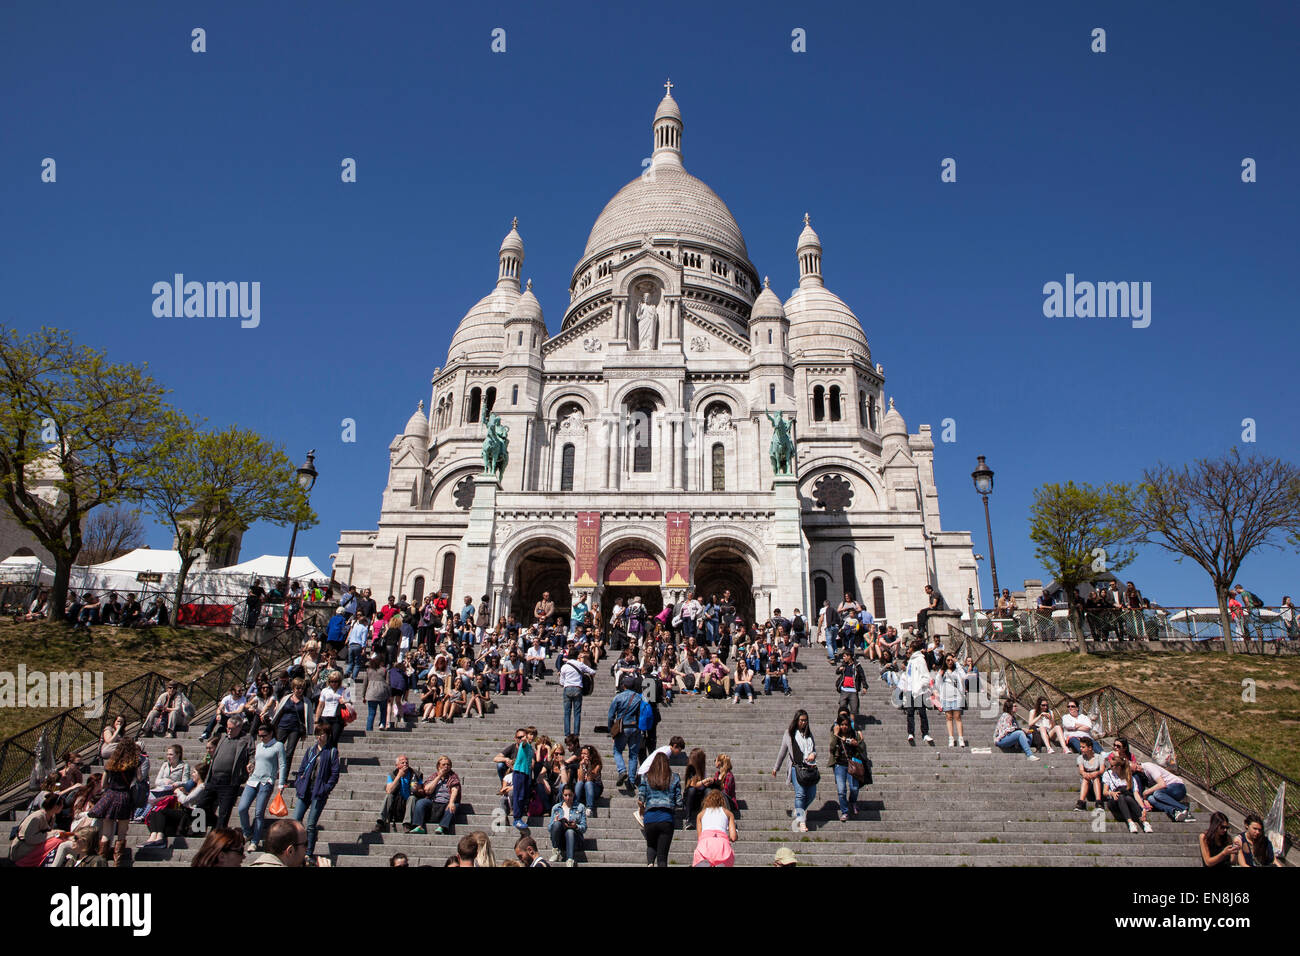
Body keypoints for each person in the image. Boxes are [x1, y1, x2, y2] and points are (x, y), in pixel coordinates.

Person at [89, 736, 143, 866]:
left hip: (110, 795)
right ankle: (117, 862)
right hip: (124, 796)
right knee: (122, 833)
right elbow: (140, 778)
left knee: (106, 832)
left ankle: (101, 861)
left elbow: (103, 784)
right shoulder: (134, 762)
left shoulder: (111, 762)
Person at [293, 726, 339, 859]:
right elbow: (302, 768)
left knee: (311, 824)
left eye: (322, 734)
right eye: (318, 734)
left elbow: (335, 773)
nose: (319, 737)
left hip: (319, 792)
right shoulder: (310, 750)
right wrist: (299, 783)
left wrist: (326, 787)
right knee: (296, 819)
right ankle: (297, 846)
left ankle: (308, 851)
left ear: (328, 735)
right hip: (305, 789)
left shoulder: (332, 752)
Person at [238, 723, 286, 849]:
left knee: (259, 812)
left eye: (264, 735)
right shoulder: (259, 746)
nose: (261, 738)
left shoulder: (278, 746)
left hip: (267, 781)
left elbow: (282, 765)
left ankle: (255, 841)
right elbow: (257, 759)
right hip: (253, 779)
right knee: (242, 808)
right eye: (259, 736)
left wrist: (281, 783)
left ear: (271, 734)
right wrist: (251, 765)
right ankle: (247, 832)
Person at [772, 710, 818, 832]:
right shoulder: (789, 733)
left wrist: (813, 754)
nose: (803, 722)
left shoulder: (808, 734)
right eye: (801, 720)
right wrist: (776, 767)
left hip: (810, 767)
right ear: (796, 720)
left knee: (812, 794)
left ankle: (799, 810)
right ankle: (801, 820)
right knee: (800, 794)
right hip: (796, 767)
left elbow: (814, 749)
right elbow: (783, 752)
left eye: (805, 720)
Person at [637, 752, 682, 867]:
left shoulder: (646, 777)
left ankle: (650, 863)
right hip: (666, 818)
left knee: (651, 845)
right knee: (662, 857)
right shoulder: (674, 777)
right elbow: (679, 801)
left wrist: (641, 807)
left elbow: (641, 797)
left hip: (650, 818)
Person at [828, 711, 867, 822]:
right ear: (839, 725)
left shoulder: (854, 734)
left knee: (854, 788)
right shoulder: (835, 733)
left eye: (846, 724)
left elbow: (863, 748)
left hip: (853, 764)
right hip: (839, 765)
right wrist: (836, 735)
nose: (844, 727)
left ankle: (853, 801)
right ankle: (845, 812)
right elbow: (831, 748)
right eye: (842, 724)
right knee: (841, 790)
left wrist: (857, 744)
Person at [608, 675, 644, 789]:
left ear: (623, 686)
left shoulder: (618, 697)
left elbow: (610, 716)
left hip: (622, 727)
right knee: (633, 755)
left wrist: (611, 730)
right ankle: (631, 780)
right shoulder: (639, 698)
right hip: (635, 727)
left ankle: (622, 770)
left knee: (617, 751)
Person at [411, 755, 460, 835]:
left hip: (447, 802)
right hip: (434, 801)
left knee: (453, 806)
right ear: (438, 766)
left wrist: (451, 802)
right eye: (443, 764)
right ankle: (418, 826)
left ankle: (442, 827)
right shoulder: (434, 776)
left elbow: (455, 790)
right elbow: (427, 790)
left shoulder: (453, 777)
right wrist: (439, 776)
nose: (446, 766)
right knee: (421, 802)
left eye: (448, 764)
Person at [1101, 752, 1151, 833]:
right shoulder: (1108, 774)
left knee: (1126, 797)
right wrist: (1112, 793)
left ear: (1119, 767)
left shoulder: (1129, 776)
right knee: (1121, 796)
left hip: (1127, 799)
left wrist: (1143, 808)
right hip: (1114, 800)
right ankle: (1130, 822)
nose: (1110, 767)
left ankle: (1144, 821)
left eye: (1112, 766)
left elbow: (1136, 794)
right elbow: (1105, 792)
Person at [376, 754, 422, 833]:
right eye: (402, 763)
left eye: (406, 763)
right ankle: (380, 822)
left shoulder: (416, 774)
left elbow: (422, 791)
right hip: (396, 804)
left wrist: (417, 789)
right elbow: (389, 790)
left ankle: (407, 824)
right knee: (388, 796)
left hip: (409, 804)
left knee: (412, 798)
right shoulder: (392, 774)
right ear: (397, 765)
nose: (405, 764)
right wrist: (398, 776)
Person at [692, 789, 737, 867]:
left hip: (704, 845)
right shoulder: (729, 813)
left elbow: (700, 838)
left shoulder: (700, 815)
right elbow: (733, 837)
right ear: (723, 801)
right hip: (722, 846)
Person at [902, 638, 934, 746]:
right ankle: (910, 732)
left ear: (912, 648)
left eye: (910, 647)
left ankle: (925, 733)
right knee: (910, 712)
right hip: (909, 689)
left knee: (922, 712)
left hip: (918, 690)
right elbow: (908, 676)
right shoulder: (911, 660)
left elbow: (926, 676)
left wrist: (920, 686)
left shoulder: (920, 659)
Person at [547, 783, 587, 866]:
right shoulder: (556, 808)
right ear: (562, 795)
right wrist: (555, 821)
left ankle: (570, 859)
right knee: (557, 824)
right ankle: (555, 851)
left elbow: (584, 827)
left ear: (574, 794)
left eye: (570, 795)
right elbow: (550, 829)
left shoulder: (581, 807)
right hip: (560, 839)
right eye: (565, 795)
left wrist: (575, 826)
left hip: (575, 839)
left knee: (569, 831)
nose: (568, 798)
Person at [934, 653, 967, 747]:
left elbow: (964, 676)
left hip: (957, 696)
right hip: (945, 696)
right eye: (948, 660)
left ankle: (961, 738)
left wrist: (958, 664)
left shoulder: (957, 670)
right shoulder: (943, 671)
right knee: (949, 717)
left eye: (951, 660)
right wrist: (939, 675)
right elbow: (937, 683)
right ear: (945, 661)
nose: (950, 662)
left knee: (958, 717)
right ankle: (951, 738)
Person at [559, 648, 595, 736]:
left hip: (567, 688)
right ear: (577, 656)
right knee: (577, 713)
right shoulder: (580, 664)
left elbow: (561, 682)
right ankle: (576, 734)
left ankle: (567, 733)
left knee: (567, 713)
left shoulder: (564, 666)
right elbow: (593, 671)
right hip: (577, 688)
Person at [314, 670, 350, 747]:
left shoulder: (344, 690)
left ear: (339, 681)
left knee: (334, 739)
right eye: (331, 681)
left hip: (338, 717)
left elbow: (349, 705)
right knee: (325, 739)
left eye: (336, 681)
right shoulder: (325, 690)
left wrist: (345, 702)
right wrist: (316, 718)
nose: (333, 683)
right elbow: (320, 705)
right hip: (325, 716)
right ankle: (326, 756)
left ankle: (333, 756)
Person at [1074, 738, 1106, 811]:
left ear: (1090, 748)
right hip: (1087, 782)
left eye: (1083, 747)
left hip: (1098, 782)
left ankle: (1099, 802)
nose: (1081, 749)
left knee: (1096, 778)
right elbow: (1081, 770)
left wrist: (1096, 773)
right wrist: (1085, 773)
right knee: (1085, 778)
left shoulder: (1099, 757)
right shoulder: (1080, 758)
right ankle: (1081, 802)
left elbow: (1102, 770)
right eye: (1080, 747)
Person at [835, 651, 866, 717]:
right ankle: (841, 722)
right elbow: (837, 672)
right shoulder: (844, 665)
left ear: (849, 656)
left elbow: (862, 676)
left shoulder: (857, 665)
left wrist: (865, 687)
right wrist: (839, 669)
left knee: (853, 710)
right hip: (844, 690)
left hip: (853, 691)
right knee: (842, 707)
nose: (843, 658)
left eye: (845, 656)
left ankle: (852, 724)